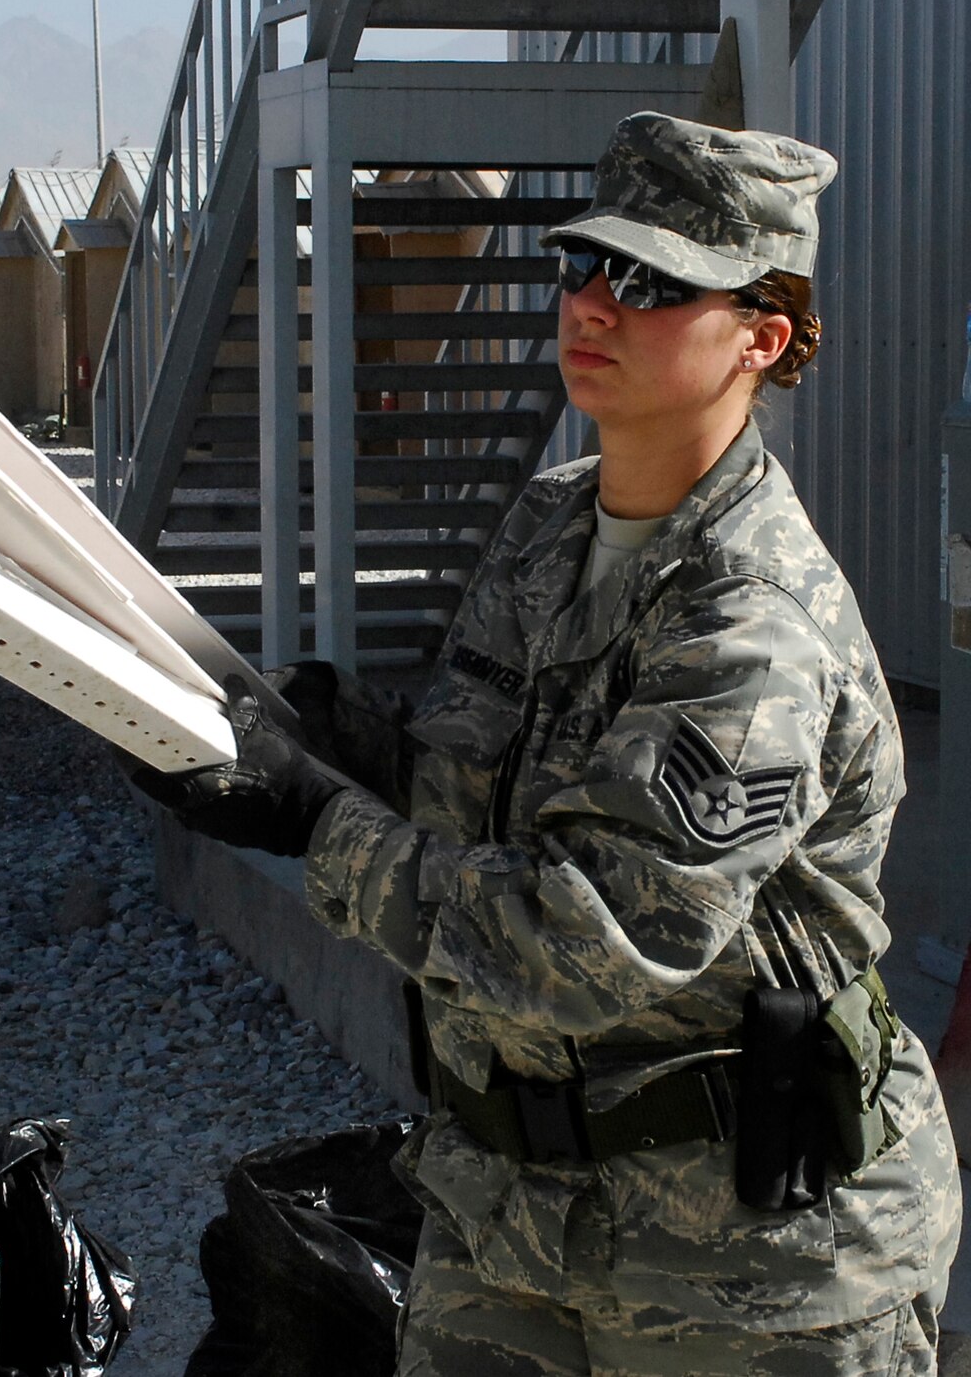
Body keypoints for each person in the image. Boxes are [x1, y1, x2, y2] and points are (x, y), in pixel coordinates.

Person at [131, 113, 961, 1373]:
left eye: (650, 282)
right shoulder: (552, 517)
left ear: (763, 336)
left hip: (746, 1261)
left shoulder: (753, 627)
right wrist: (323, 739)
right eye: (580, 265)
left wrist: (311, 820)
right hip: (511, 1210)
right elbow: (481, 787)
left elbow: (587, 942)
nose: (594, 303)